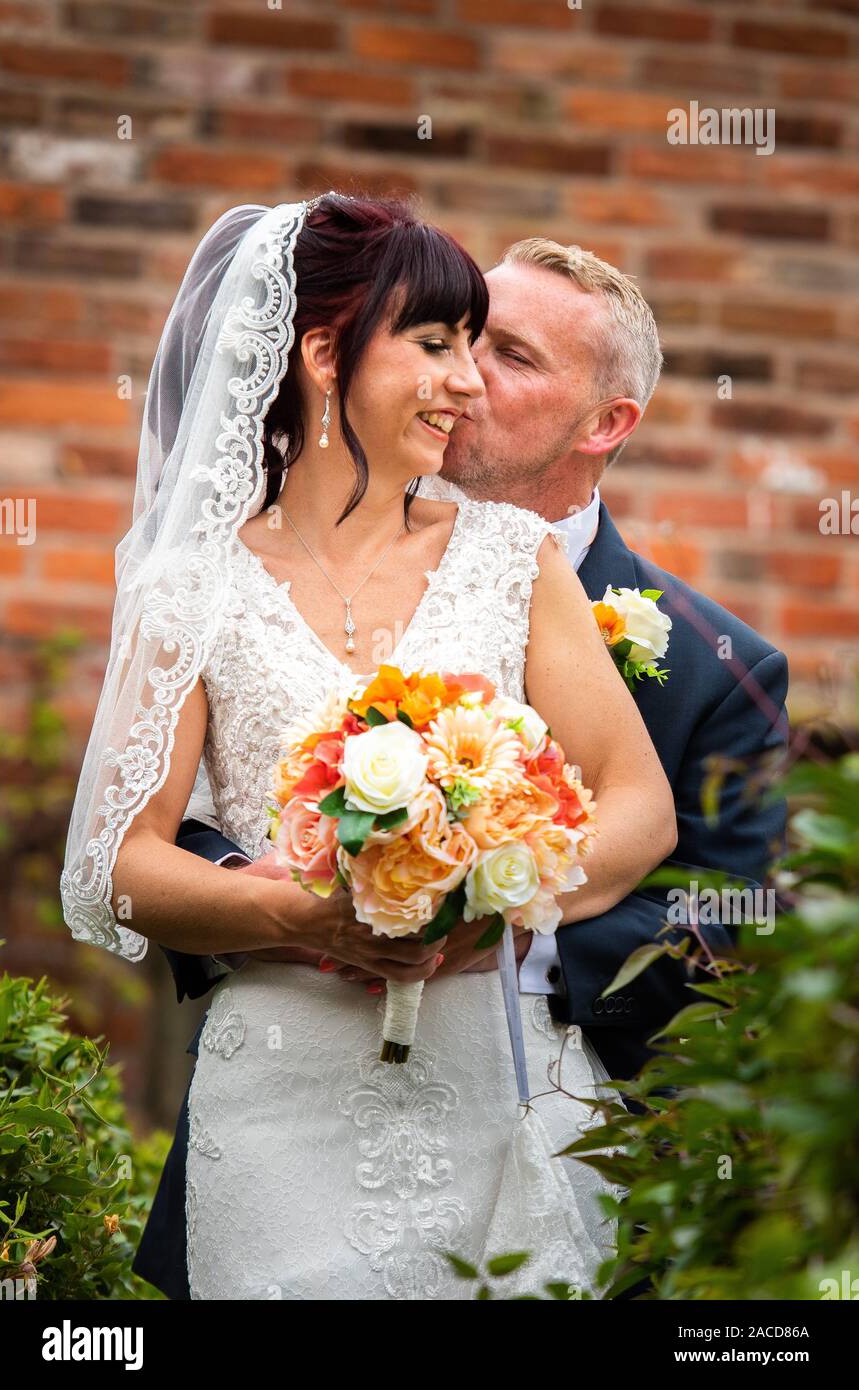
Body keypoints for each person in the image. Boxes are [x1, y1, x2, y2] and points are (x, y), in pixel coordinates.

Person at [133, 228, 789, 1302]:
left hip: (542, 1116)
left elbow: (727, 913)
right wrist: (297, 895)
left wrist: (482, 910)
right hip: (289, 1080)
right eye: (458, 336)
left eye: (514, 357)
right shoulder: (233, 574)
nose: (467, 374)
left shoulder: (723, 668)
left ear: (607, 422)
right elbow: (177, 813)